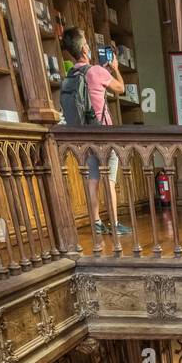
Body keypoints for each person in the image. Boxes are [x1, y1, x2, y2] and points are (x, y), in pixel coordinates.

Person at [60, 27, 130, 236]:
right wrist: (115, 68)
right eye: (87, 45)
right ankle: (115, 224)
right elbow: (120, 88)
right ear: (83, 48)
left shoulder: (71, 75)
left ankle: (97, 222)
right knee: (108, 177)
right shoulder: (96, 71)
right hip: (103, 133)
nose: (89, 47)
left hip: (84, 134)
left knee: (93, 177)